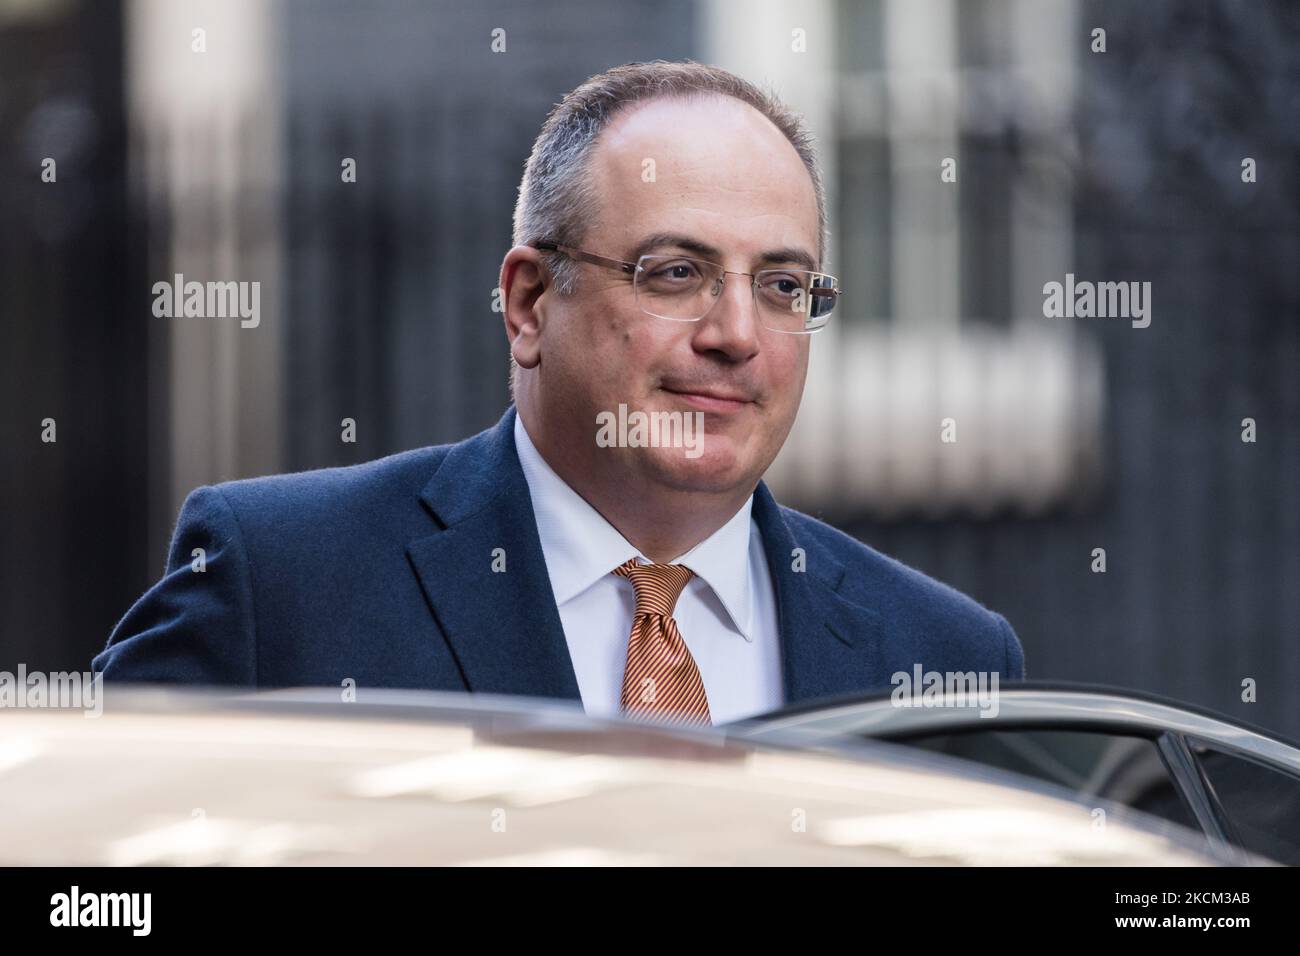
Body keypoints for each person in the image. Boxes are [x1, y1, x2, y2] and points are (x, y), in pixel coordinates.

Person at [95, 60, 1024, 725]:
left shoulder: (946, 658)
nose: (738, 335)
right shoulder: (282, 585)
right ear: (531, 303)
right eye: (674, 273)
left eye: (782, 286)